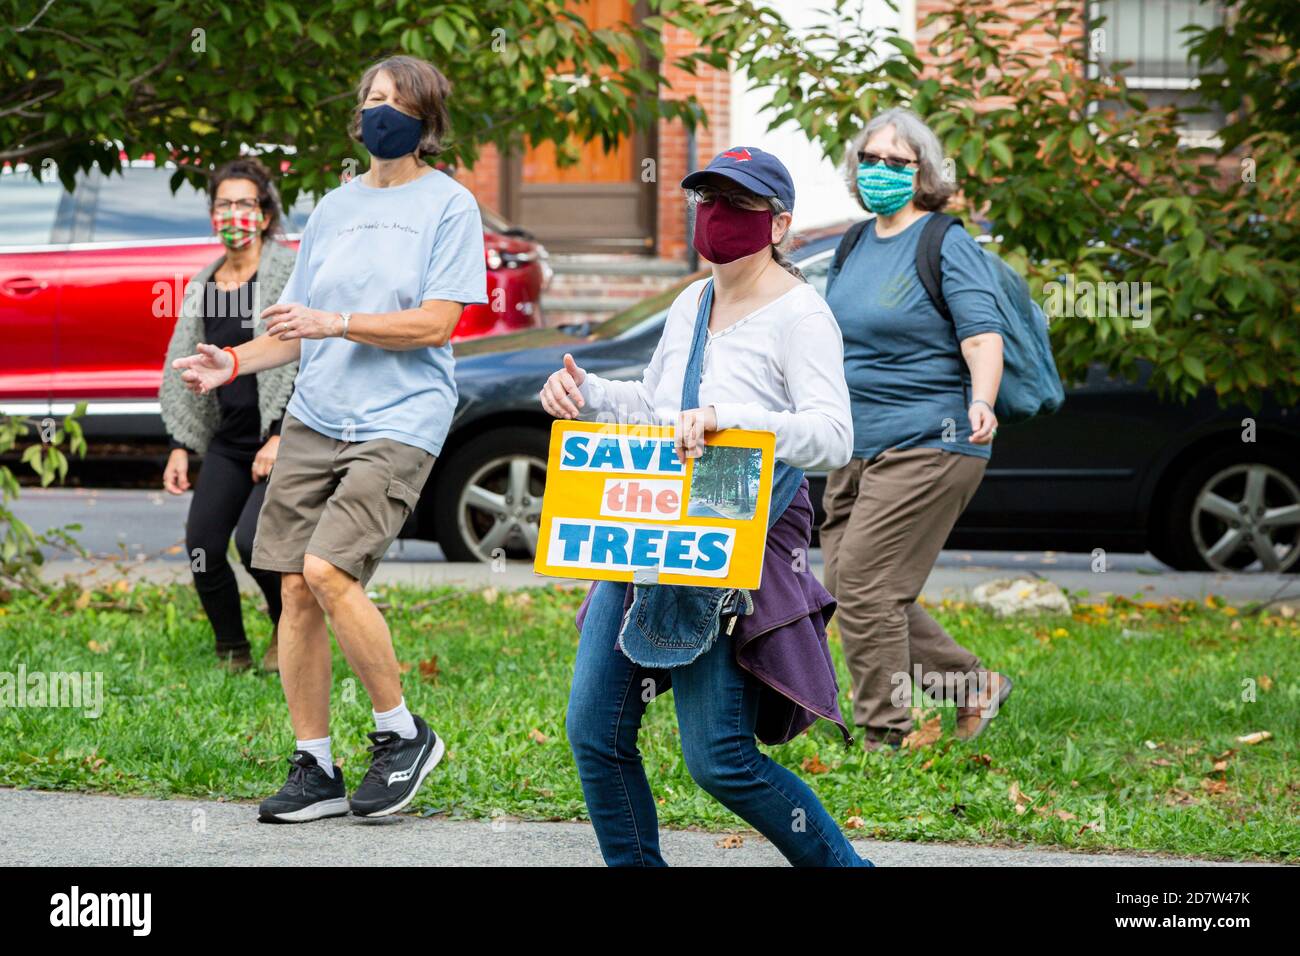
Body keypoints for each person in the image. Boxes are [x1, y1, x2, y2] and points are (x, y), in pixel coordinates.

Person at [173, 56, 487, 822]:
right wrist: (234, 361)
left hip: (398, 419)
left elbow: (438, 323)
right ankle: (315, 765)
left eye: (398, 101)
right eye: (372, 98)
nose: (382, 111)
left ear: (426, 120)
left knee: (328, 569)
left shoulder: (450, 205)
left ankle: (403, 734)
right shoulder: (336, 209)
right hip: (319, 413)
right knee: (289, 582)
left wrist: (337, 323)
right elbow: (296, 328)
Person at [541, 147, 869, 867]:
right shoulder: (693, 300)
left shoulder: (802, 316)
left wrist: (736, 421)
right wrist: (586, 394)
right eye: (706, 198)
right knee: (595, 731)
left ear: (779, 223)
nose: (716, 215)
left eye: (738, 204)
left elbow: (834, 436)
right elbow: (659, 407)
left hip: (733, 540)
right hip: (650, 526)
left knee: (719, 758)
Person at [820, 107, 1013, 751]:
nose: (879, 172)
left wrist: (982, 400)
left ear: (923, 173)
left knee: (869, 586)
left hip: (931, 440)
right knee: (847, 587)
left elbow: (982, 334)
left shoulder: (944, 242)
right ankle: (971, 688)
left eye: (896, 163)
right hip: (857, 444)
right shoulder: (851, 243)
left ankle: (884, 737)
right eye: (869, 160)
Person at [160, 157, 296, 673]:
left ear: (263, 215)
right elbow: (186, 368)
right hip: (229, 439)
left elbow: (308, 356)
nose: (233, 214)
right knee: (203, 547)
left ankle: (288, 629)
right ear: (212, 213)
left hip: (284, 437)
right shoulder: (204, 284)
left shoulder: (285, 273)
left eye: (245, 204)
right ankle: (232, 649)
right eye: (224, 204)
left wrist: (280, 434)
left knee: (254, 542)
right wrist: (180, 444)